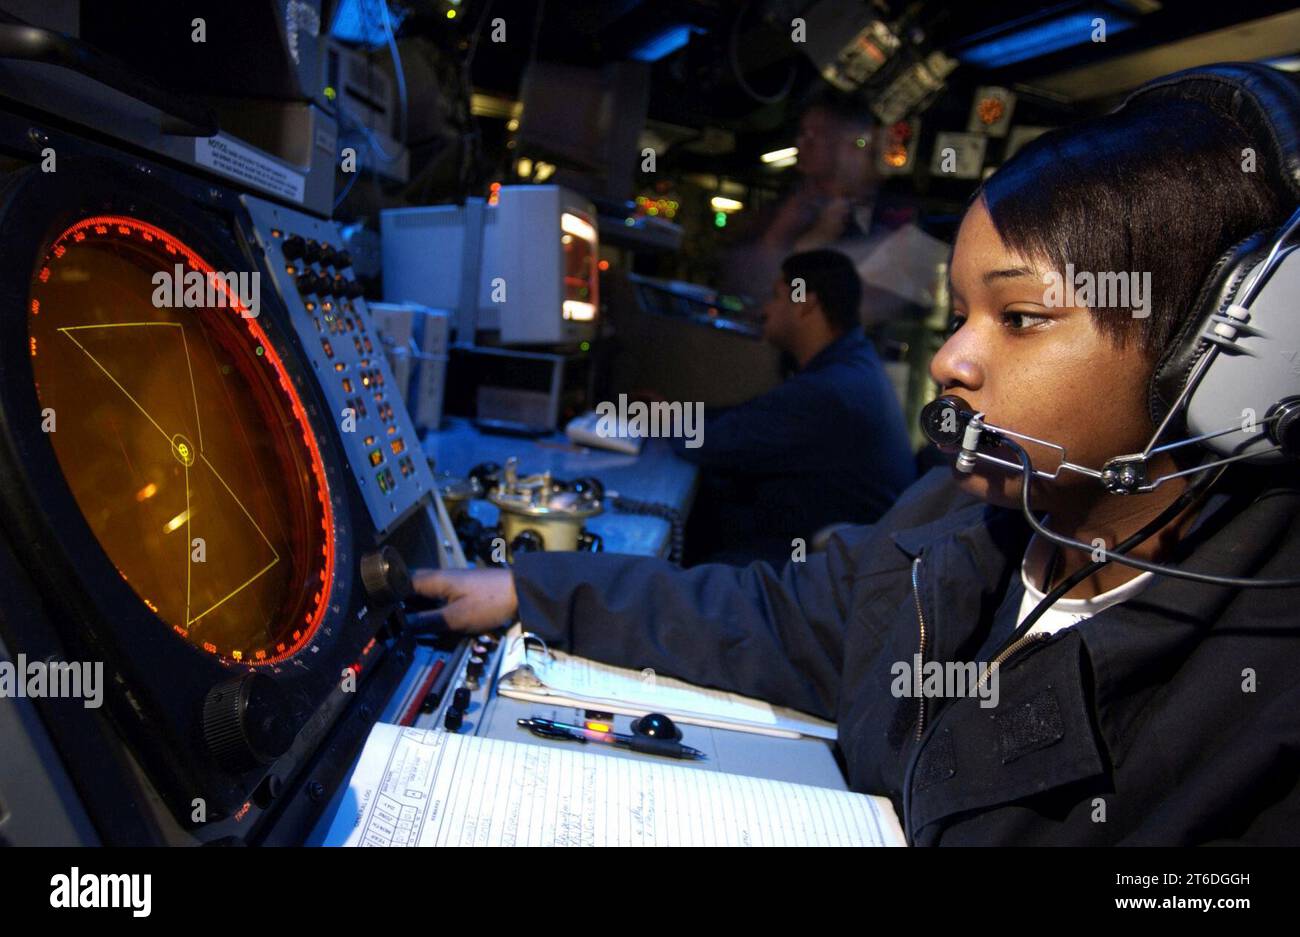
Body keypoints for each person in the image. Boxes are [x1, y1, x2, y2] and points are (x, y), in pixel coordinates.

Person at [411, 65, 1300, 844]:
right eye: (959, 315)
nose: (951, 360)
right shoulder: (947, 529)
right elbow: (766, 614)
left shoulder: (1266, 710)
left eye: (1018, 317)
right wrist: (532, 588)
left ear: (1216, 359)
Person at [674, 248, 916, 566]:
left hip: (808, 568)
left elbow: (711, 441)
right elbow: (752, 418)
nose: (765, 310)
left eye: (776, 296)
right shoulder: (850, 366)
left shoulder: (831, 390)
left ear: (806, 304)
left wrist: (652, 420)